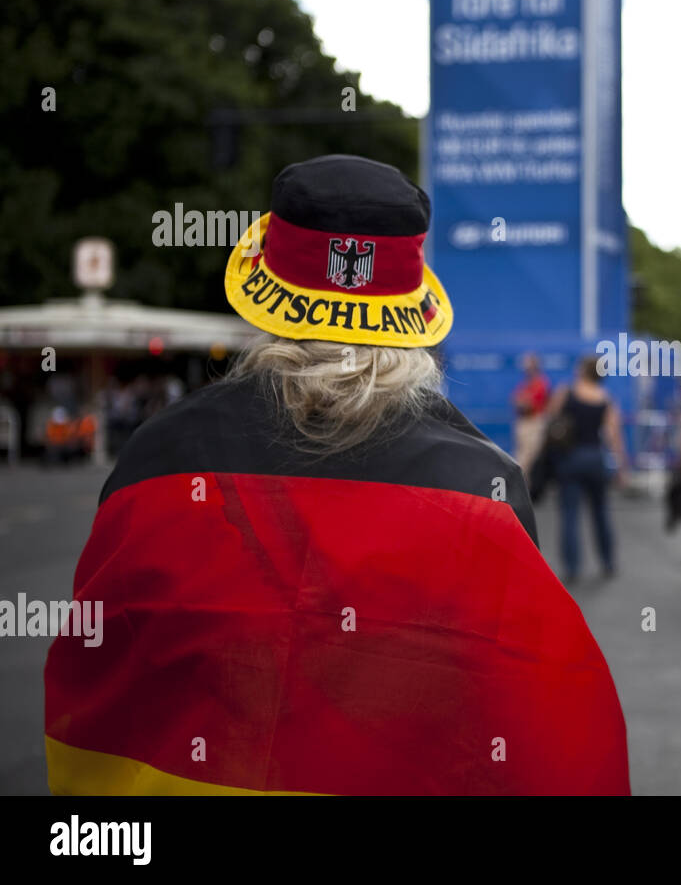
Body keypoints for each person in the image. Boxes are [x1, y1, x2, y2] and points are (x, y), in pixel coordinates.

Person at [45, 155, 629, 795]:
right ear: (410, 309)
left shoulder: (154, 458)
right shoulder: (482, 486)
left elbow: (98, 671)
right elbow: (525, 709)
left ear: (266, 296)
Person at [547, 355, 628, 583]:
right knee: (601, 511)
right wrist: (622, 467)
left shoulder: (567, 392)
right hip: (596, 457)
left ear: (583, 371)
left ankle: (572, 567)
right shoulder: (606, 399)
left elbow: (551, 418)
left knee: (570, 513)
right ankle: (608, 561)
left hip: (570, 456)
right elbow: (614, 436)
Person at [512, 352, 550, 487]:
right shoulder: (526, 384)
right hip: (525, 423)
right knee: (523, 457)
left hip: (533, 423)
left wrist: (522, 402)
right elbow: (516, 401)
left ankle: (523, 488)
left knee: (528, 459)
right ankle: (523, 487)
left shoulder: (540, 383)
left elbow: (529, 404)